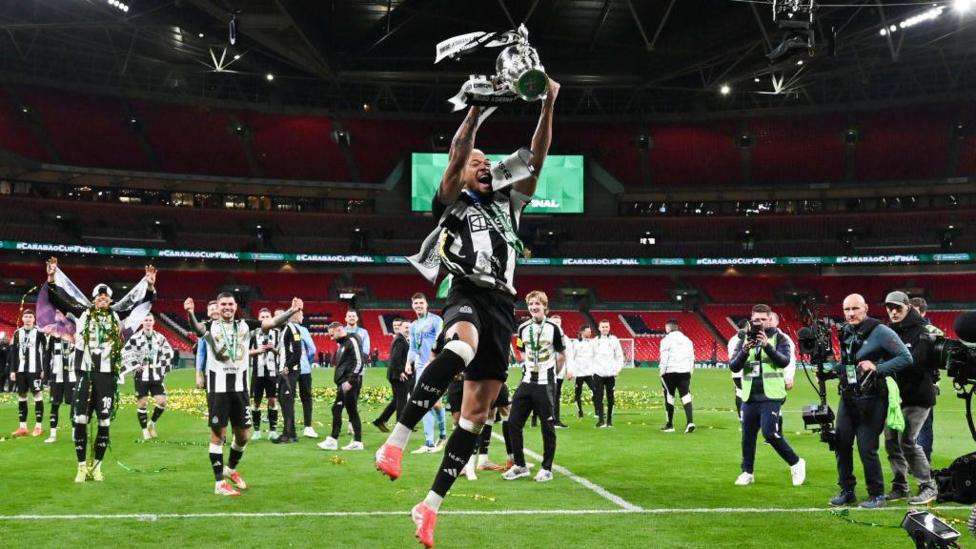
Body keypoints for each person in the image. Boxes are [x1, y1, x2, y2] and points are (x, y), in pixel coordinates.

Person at [375, 78, 559, 549]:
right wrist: (476, 111)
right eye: (478, 163)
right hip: (466, 291)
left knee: (474, 417)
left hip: (504, 304)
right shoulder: (452, 201)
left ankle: (429, 507)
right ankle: (395, 439)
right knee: (459, 346)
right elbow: (458, 151)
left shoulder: (509, 203)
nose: (485, 167)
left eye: (489, 164)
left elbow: (535, 158)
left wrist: (549, 103)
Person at [46, 257, 156, 483]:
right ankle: (80, 467)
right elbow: (56, 299)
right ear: (93, 298)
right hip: (85, 374)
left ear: (110, 299)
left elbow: (141, 304)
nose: (102, 299)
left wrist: (150, 285)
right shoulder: (82, 313)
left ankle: (97, 467)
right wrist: (51, 278)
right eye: (98, 296)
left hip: (107, 377)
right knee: (81, 420)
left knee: (104, 421)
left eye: (106, 296)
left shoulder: (117, 315)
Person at [185, 293, 302, 496]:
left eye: (230, 304)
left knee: (243, 435)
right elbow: (197, 328)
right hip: (218, 390)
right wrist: (190, 313)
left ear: (235, 305)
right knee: (218, 435)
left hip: (240, 389)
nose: (227, 307)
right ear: (218, 307)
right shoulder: (210, 326)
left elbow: (272, 322)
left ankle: (230, 469)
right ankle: (219, 483)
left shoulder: (245, 325)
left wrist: (291, 311)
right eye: (223, 304)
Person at [826, 293, 912, 508]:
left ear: (865, 308)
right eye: (847, 310)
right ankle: (847, 491)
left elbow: (906, 357)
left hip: (873, 398)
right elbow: (849, 364)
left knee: (866, 448)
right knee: (841, 443)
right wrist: (830, 370)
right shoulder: (846, 331)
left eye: (855, 308)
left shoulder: (881, 331)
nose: (851, 313)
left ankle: (877, 495)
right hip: (848, 396)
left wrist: (878, 368)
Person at [729, 304, 806, 487]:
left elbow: (784, 361)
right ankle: (747, 472)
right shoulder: (744, 340)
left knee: (770, 433)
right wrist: (744, 351)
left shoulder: (780, 338)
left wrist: (766, 346)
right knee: (747, 435)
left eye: (763, 319)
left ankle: (796, 462)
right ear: (751, 320)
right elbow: (733, 366)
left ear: (769, 319)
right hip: (749, 395)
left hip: (771, 394)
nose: (760, 323)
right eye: (756, 320)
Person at [883, 291, 939, 505]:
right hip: (896, 398)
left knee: (906, 440)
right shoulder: (888, 330)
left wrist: (888, 367)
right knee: (890, 441)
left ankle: (928, 485)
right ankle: (900, 485)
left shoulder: (922, 332)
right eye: (890, 308)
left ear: (908, 307)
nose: (893, 312)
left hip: (918, 396)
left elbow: (916, 365)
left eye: (898, 307)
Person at [503, 291, 564, 482]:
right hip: (527, 381)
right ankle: (520, 465)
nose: (533, 307)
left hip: (545, 383)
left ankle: (547, 468)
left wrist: (553, 373)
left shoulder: (554, 328)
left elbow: (562, 354)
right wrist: (526, 366)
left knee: (547, 426)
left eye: (537, 304)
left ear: (544, 306)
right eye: (530, 304)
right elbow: (521, 351)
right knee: (513, 422)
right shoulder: (522, 328)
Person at [402, 293, 446, 453]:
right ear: (412, 306)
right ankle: (429, 442)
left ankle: (442, 435)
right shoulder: (413, 325)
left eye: (421, 302)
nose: (419, 305)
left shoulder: (436, 321)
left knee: (435, 403)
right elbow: (413, 347)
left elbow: (441, 341)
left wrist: (433, 360)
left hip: (435, 365)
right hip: (420, 367)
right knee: (423, 403)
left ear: (426, 304)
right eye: (416, 303)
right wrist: (408, 363)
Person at [122, 313, 174, 440]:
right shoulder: (135, 338)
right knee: (142, 403)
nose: (148, 322)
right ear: (142, 322)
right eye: (146, 320)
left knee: (162, 402)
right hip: (141, 376)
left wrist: (161, 367)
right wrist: (135, 365)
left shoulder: (160, 338)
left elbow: (168, 353)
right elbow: (127, 352)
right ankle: (144, 430)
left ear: (153, 322)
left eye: (150, 320)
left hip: (156, 375)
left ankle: (152, 424)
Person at [318, 322, 365, 451]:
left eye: (332, 335)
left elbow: (359, 361)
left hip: (349, 383)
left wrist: (350, 381)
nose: (331, 338)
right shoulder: (343, 344)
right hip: (343, 383)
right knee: (339, 409)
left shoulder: (352, 340)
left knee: (349, 411)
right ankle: (338, 440)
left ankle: (349, 441)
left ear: (339, 329)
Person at [910, 296, 940, 464]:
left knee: (923, 427)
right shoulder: (933, 331)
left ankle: (923, 463)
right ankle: (917, 462)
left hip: (924, 384)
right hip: (908, 386)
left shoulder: (930, 332)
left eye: (914, 312)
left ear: (923, 312)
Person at [9, 308, 47, 438]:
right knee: (22, 396)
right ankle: (23, 427)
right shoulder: (17, 333)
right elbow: (13, 353)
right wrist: (12, 370)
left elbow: (46, 352)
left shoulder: (40, 332)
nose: (28, 319)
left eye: (30, 316)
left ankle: (38, 427)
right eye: (26, 316)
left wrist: (44, 369)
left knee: (37, 396)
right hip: (20, 370)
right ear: (22, 319)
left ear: (34, 319)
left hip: (35, 370)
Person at [248, 308, 280, 441]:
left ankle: (273, 431)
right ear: (258, 318)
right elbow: (246, 351)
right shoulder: (253, 333)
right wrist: (256, 351)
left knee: (273, 400)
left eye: (268, 316)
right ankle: (256, 431)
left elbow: (283, 352)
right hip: (257, 372)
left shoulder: (278, 333)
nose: (265, 318)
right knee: (256, 402)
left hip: (273, 372)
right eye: (262, 316)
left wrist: (274, 349)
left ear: (271, 318)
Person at [373, 317, 411, 430]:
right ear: (400, 328)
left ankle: (380, 420)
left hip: (395, 374)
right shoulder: (400, 340)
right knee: (402, 399)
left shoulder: (401, 338)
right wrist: (400, 372)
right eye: (405, 327)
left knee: (397, 399)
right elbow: (395, 358)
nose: (408, 330)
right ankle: (401, 425)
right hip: (398, 374)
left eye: (409, 327)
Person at [659, 319, 695, 433]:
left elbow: (664, 358)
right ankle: (690, 422)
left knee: (669, 396)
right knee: (685, 396)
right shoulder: (687, 340)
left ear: (668, 328)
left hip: (670, 371)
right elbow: (692, 358)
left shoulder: (666, 340)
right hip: (684, 371)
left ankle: (670, 425)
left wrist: (662, 372)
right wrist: (689, 372)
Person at [273, 308, 304, 445]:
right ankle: (289, 433)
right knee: (284, 401)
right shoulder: (283, 330)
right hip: (284, 372)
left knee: (287, 402)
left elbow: (297, 352)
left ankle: (289, 435)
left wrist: (288, 367)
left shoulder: (292, 329)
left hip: (289, 373)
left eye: (280, 316)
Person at [44, 332, 76, 443]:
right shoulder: (53, 337)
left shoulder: (76, 334)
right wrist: (46, 379)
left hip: (72, 376)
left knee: (74, 405)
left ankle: (75, 433)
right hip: (57, 376)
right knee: (54, 405)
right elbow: (47, 357)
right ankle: (53, 435)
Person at [592, 319, 624, 428]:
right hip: (598, 374)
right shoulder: (595, 341)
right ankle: (601, 420)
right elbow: (591, 357)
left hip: (611, 374)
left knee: (611, 397)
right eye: (603, 327)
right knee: (598, 397)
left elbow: (619, 356)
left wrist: (617, 370)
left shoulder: (614, 340)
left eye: (606, 326)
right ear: (599, 328)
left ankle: (609, 420)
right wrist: (594, 370)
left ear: (609, 328)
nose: (605, 328)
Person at [295, 311, 318, 438]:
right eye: (301, 315)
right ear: (297, 316)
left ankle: (289, 427)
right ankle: (308, 427)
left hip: (288, 369)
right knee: (306, 398)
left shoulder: (284, 328)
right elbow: (313, 349)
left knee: (287, 399)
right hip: (304, 369)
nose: (303, 317)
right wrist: (307, 361)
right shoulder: (302, 329)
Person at [572, 326, 597, 420]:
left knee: (595, 390)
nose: (590, 333)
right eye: (588, 331)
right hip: (579, 373)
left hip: (589, 372)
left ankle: (597, 411)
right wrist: (571, 370)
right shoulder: (576, 343)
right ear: (582, 332)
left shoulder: (592, 343)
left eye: (590, 331)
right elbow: (572, 357)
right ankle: (580, 412)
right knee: (578, 393)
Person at [195, 301, 220, 389]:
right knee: (212, 401)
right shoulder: (203, 328)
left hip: (228, 371)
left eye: (217, 308)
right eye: (212, 309)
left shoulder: (230, 326)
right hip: (210, 371)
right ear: (208, 313)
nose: (215, 311)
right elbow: (201, 353)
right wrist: (198, 375)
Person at [550, 315, 569, 428]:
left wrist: (568, 370)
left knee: (556, 396)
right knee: (545, 396)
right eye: (555, 322)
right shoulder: (546, 336)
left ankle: (556, 419)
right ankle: (540, 418)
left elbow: (568, 355)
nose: (557, 324)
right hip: (546, 372)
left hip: (559, 372)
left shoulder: (564, 338)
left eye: (558, 322)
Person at [728, 318, 749, 420]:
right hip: (746, 368)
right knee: (748, 392)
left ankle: (741, 416)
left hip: (735, 369)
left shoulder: (732, 340)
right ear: (746, 326)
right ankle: (747, 414)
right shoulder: (747, 338)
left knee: (739, 391)